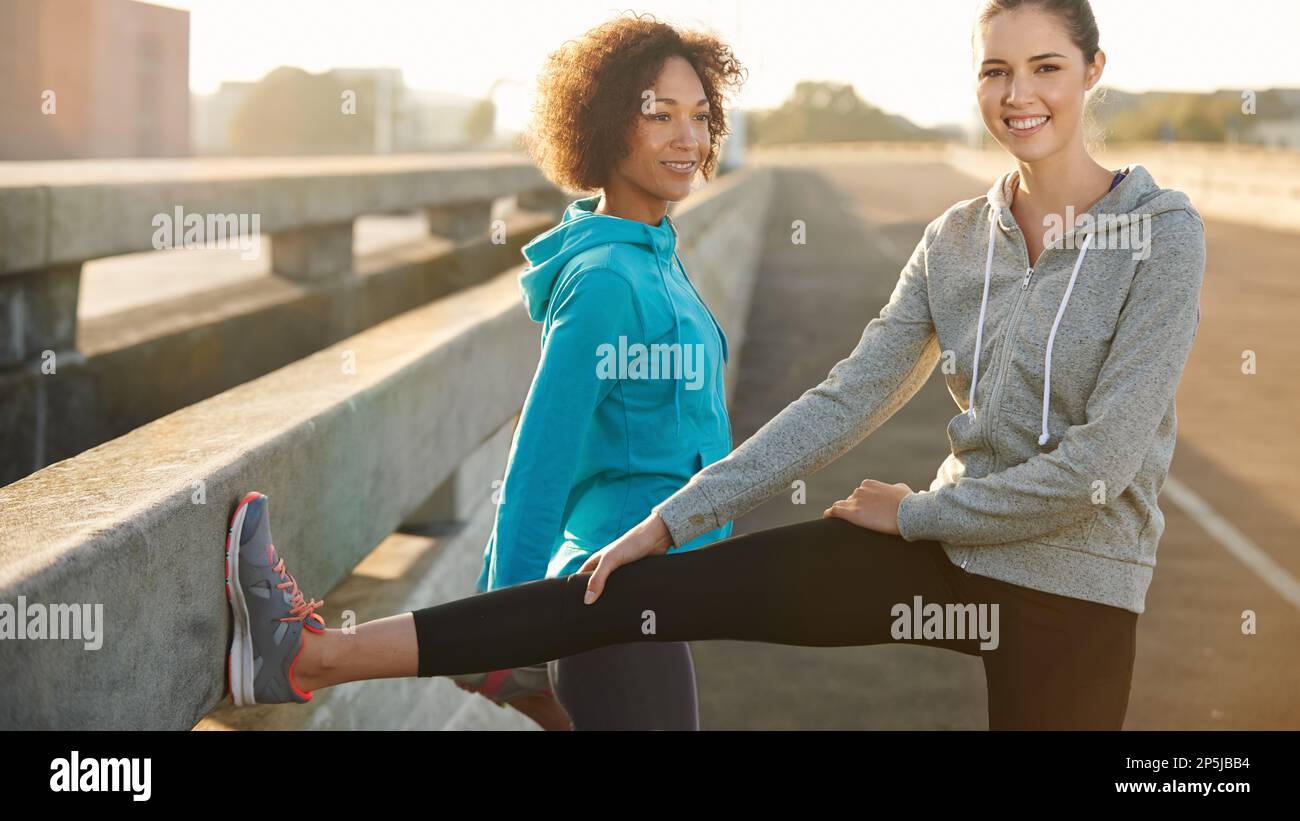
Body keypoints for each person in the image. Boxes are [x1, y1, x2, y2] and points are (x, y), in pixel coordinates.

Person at [222, 0, 1205, 729]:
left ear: (1091, 72)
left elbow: (1099, 467)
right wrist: (669, 519)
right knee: (630, 591)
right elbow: (844, 396)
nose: (1017, 94)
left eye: (1043, 68)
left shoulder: (1159, 233)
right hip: (947, 554)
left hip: (1075, 588)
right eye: (995, 71)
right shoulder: (955, 239)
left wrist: (912, 512)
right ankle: (312, 653)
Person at [224, 14, 746, 731]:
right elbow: (541, 457)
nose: (688, 138)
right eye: (659, 115)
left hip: (658, 592)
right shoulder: (605, 280)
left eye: (700, 116)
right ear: (604, 125)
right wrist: (506, 620)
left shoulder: (656, 255)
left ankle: (305, 654)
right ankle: (300, 654)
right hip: (615, 596)